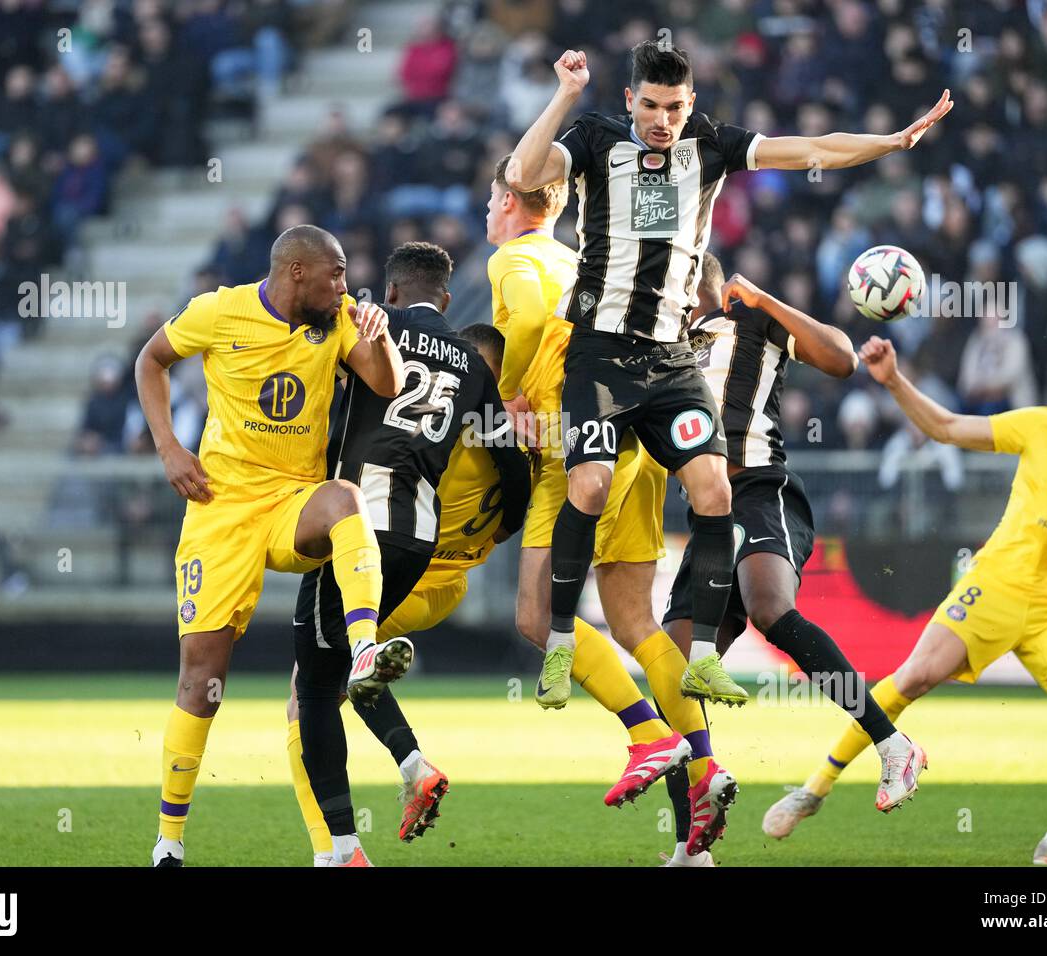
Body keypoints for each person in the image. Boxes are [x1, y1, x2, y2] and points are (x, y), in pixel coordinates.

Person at [504, 45, 951, 775]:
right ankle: (558, 646)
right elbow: (524, 174)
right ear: (628, 99)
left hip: (670, 360)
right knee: (588, 486)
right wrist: (561, 94)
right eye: (649, 105)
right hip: (601, 356)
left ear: (690, 104)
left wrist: (892, 141)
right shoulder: (590, 137)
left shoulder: (712, 145)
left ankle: (708, 661)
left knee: (714, 490)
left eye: (674, 108)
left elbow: (812, 147)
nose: (661, 120)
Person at [771, 335, 1047, 865]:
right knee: (914, 677)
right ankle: (815, 787)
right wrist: (892, 380)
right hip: (995, 586)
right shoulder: (1043, 424)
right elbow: (949, 427)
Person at [135, 224, 405, 868]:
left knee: (342, 496)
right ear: (295, 274)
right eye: (334, 273)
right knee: (202, 683)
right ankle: (169, 840)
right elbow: (151, 360)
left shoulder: (339, 318)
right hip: (219, 508)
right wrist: (170, 448)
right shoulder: (218, 310)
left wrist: (378, 334)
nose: (344, 285)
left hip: (290, 503)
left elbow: (387, 385)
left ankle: (364, 649)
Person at [659, 257, 917, 866]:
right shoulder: (666, 344)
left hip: (760, 489)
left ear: (702, 276)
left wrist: (766, 298)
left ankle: (892, 744)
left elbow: (841, 359)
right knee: (672, 675)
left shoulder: (749, 321)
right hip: (707, 517)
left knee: (770, 607)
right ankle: (690, 850)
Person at [289, 242, 531, 867]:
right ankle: (410, 765)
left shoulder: (369, 323)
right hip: (417, 539)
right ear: (447, 301)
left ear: (391, 291)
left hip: (356, 524)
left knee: (314, 689)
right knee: (351, 660)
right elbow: (513, 470)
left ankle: (341, 850)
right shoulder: (474, 367)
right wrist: (499, 533)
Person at [486, 153, 708, 815]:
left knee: (533, 616)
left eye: (492, 197)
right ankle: (706, 768)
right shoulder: (576, 258)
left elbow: (525, 322)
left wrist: (507, 397)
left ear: (509, 204)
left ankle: (647, 735)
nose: (487, 208)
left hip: (574, 440)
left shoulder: (511, 260)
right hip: (634, 429)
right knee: (637, 622)